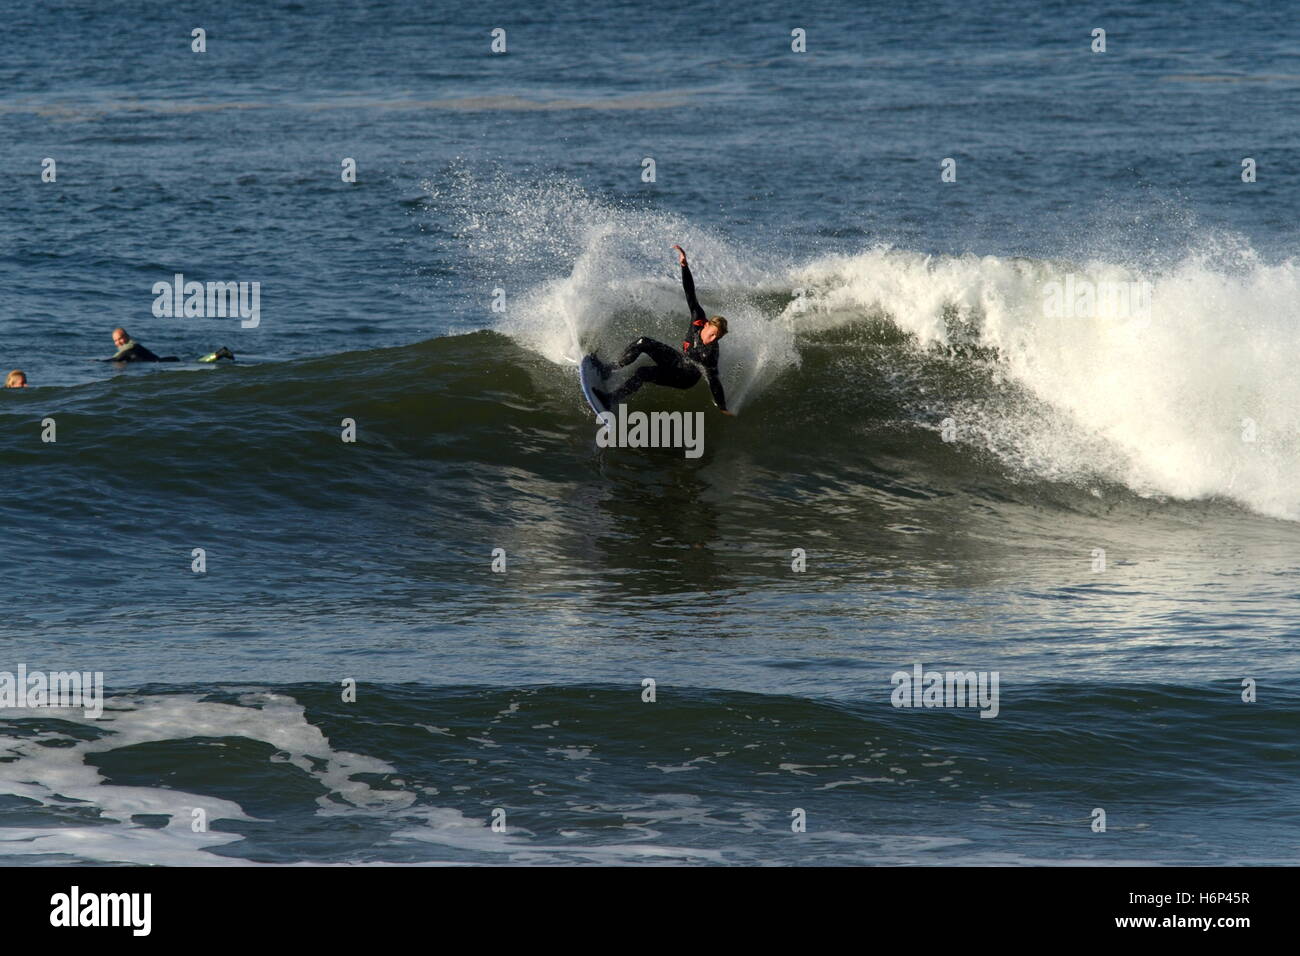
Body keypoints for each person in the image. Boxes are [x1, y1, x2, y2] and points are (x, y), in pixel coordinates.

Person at [594, 245, 734, 415]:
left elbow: (714, 381)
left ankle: (610, 400)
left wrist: (722, 406)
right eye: (712, 334)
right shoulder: (698, 318)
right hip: (679, 360)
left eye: (717, 338)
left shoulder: (710, 353)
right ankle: (609, 369)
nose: (712, 339)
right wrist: (684, 266)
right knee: (643, 342)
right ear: (706, 325)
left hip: (685, 377)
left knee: (643, 372)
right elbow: (690, 292)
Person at [102, 328, 234, 363]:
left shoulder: (130, 348)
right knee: (196, 362)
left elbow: (116, 359)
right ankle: (219, 354)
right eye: (115, 340)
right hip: (167, 360)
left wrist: (95, 362)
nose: (118, 342)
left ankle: (220, 353)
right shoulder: (133, 348)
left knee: (199, 364)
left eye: (120, 338)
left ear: (127, 337)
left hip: (166, 363)